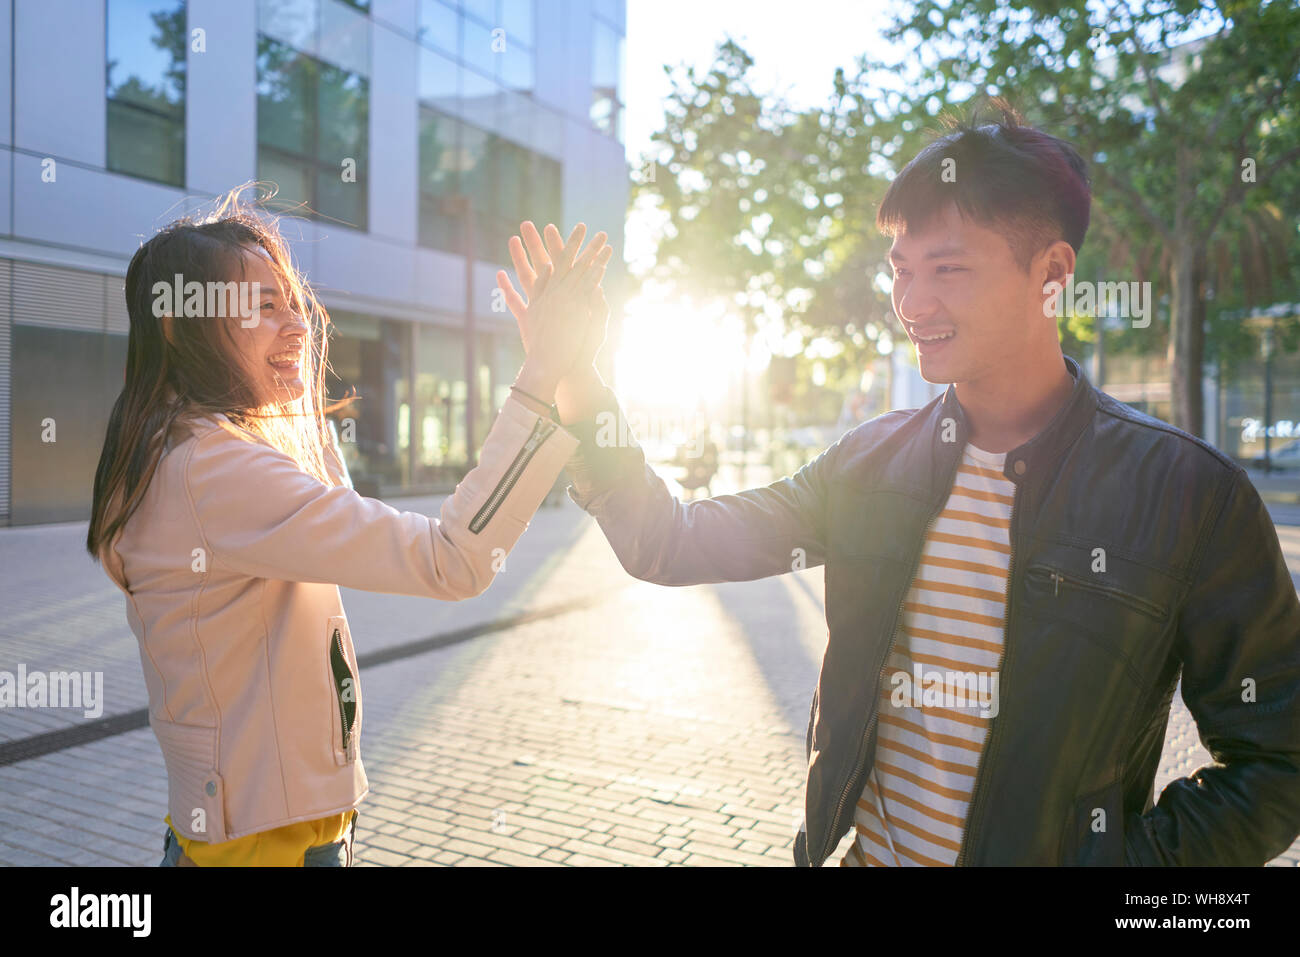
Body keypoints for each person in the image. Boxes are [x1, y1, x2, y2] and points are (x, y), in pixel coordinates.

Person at [497, 105, 1300, 866]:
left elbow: (1277, 761)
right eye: (901, 270)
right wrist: (576, 378)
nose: (912, 303)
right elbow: (667, 541)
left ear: (1053, 273)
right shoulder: (868, 465)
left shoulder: (1189, 494)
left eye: (947, 268)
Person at [87, 189, 611, 866]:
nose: (299, 327)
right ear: (181, 323)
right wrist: (542, 372)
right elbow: (454, 558)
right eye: (263, 306)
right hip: (263, 848)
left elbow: (342, 517)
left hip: (260, 834)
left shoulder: (191, 446)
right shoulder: (212, 468)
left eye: (293, 302)